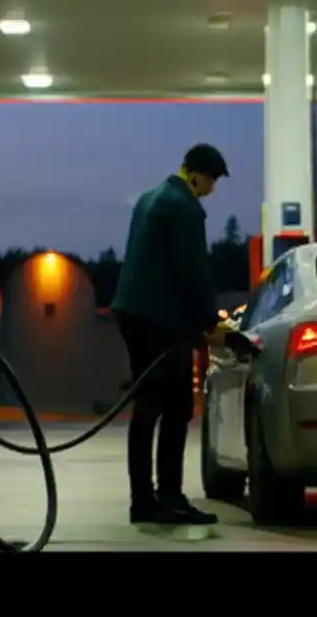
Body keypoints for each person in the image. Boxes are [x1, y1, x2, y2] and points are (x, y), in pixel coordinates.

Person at [110, 143, 232, 526]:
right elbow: (193, 270)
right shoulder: (184, 207)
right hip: (162, 320)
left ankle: (142, 501)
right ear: (196, 174)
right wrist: (210, 323)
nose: (212, 189)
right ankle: (171, 499)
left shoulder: (150, 199)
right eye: (211, 180)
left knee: (147, 407)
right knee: (177, 407)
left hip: (133, 313)